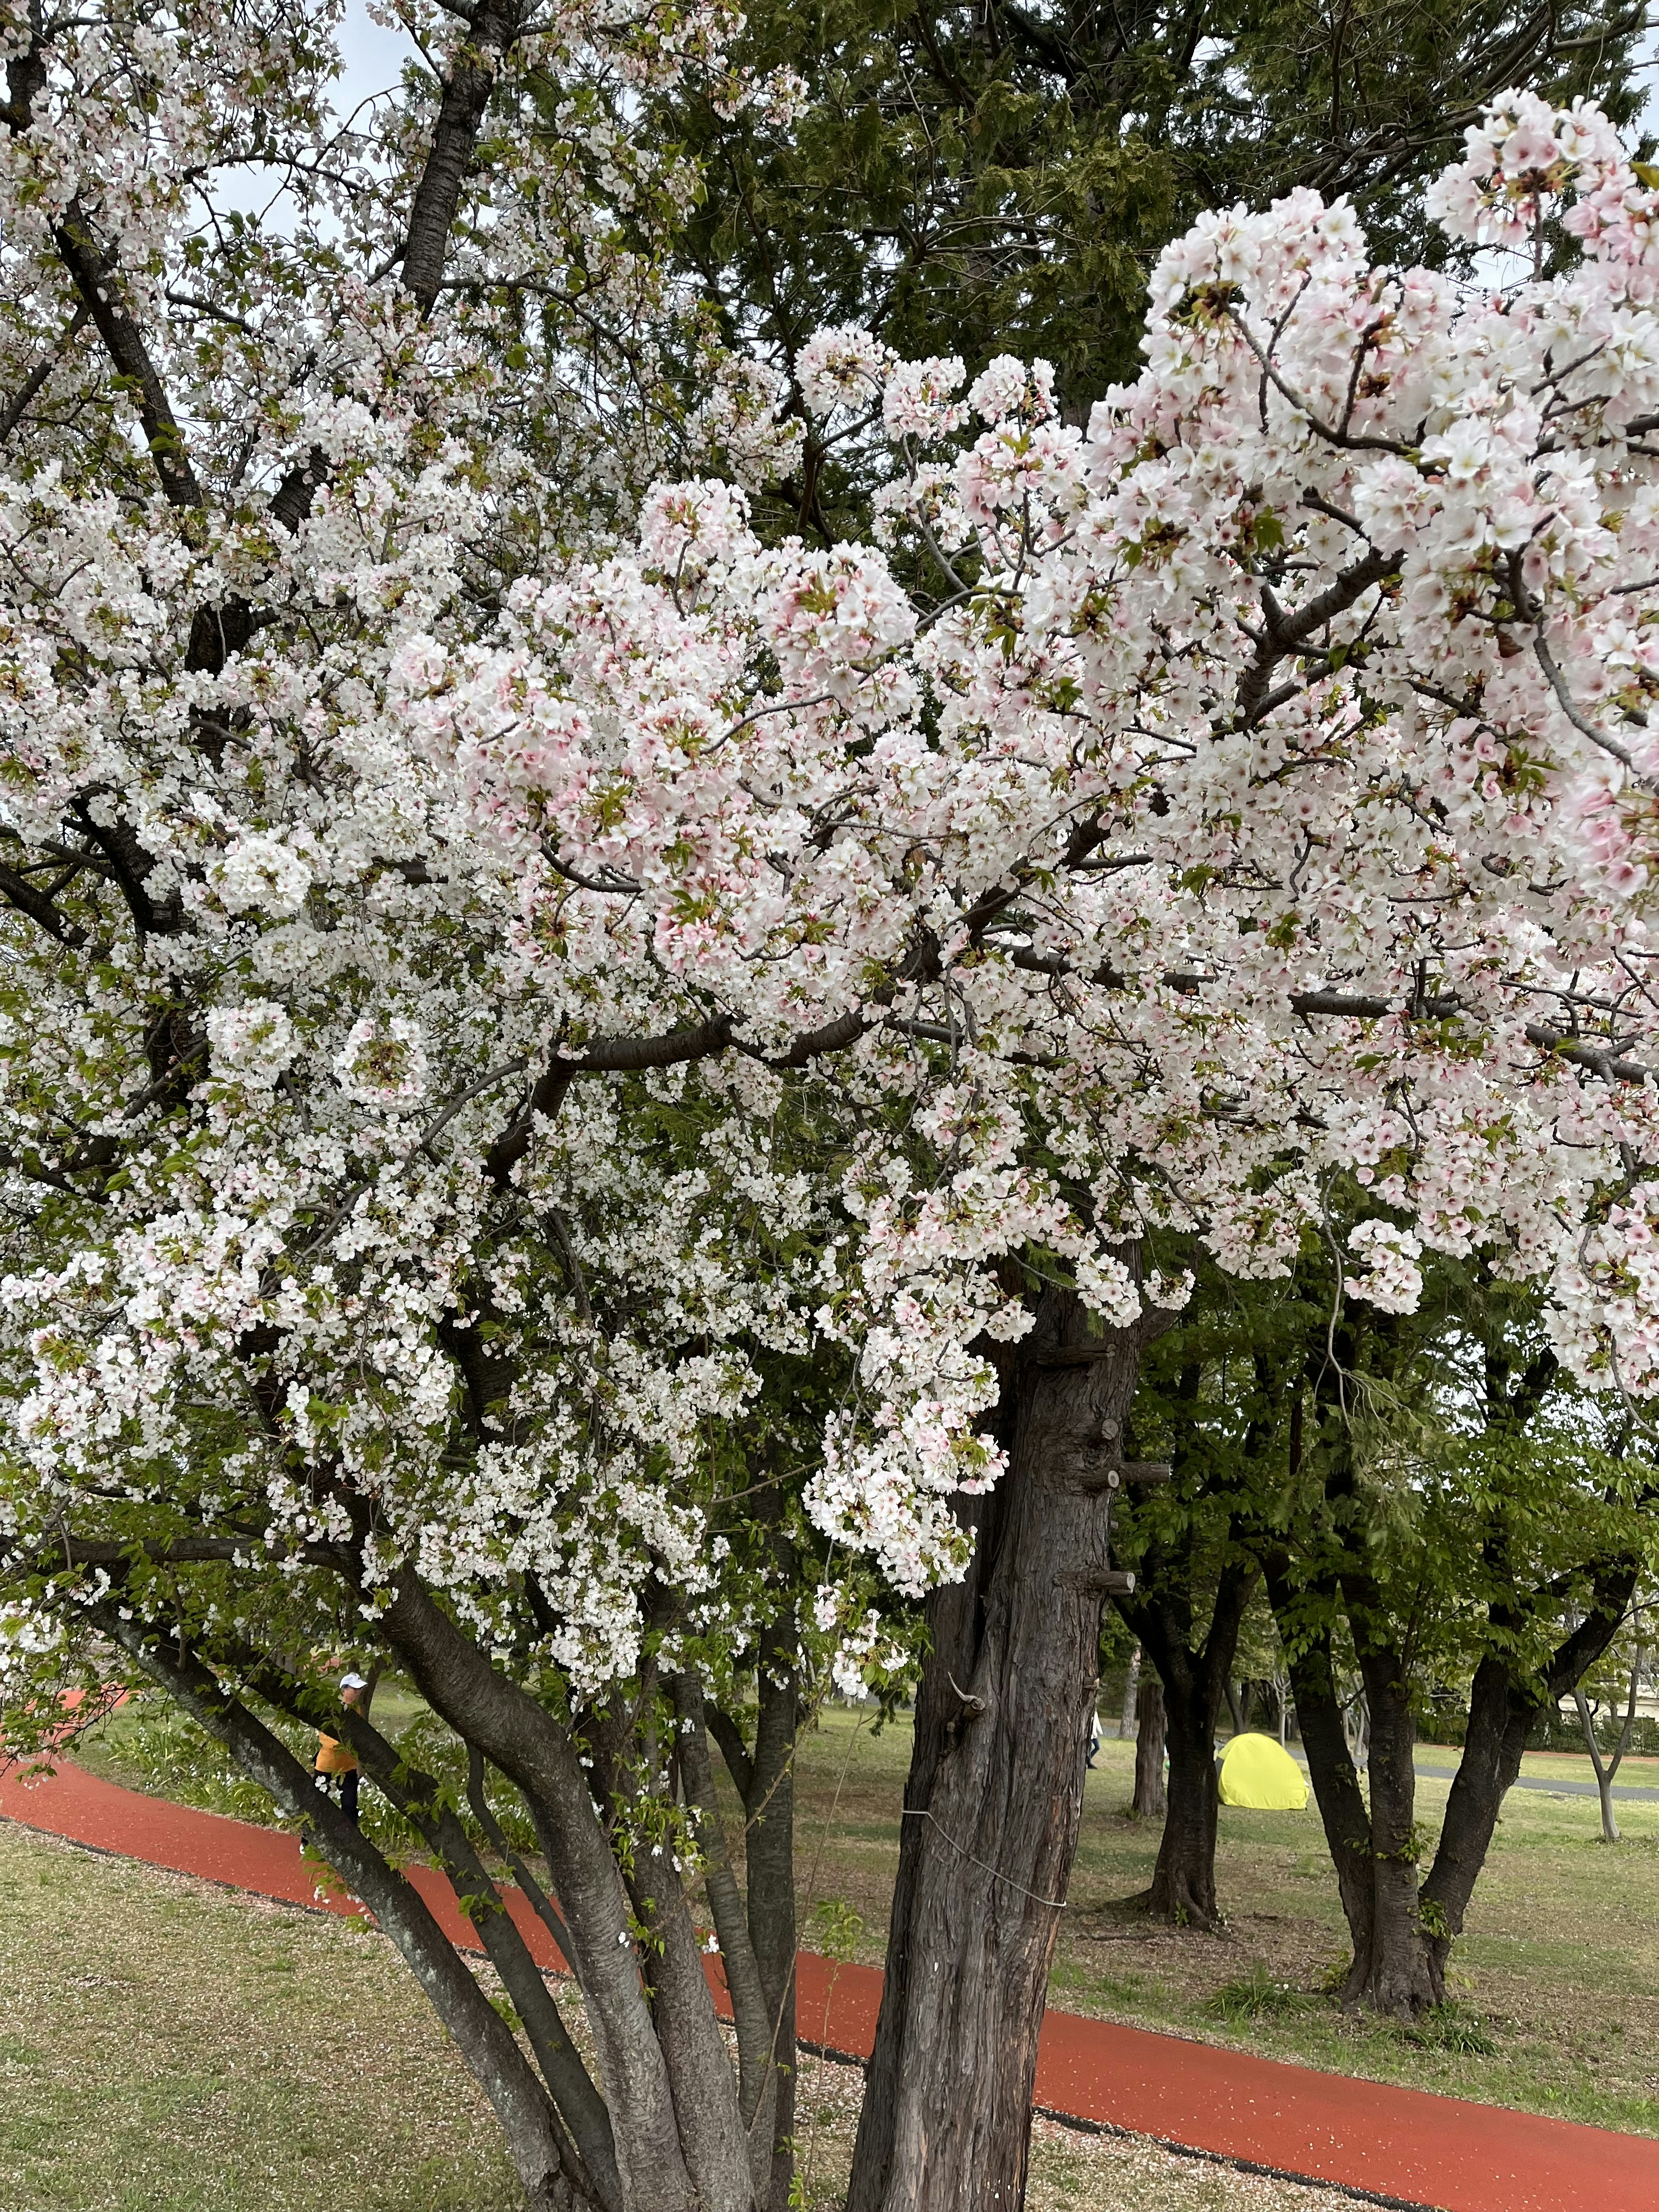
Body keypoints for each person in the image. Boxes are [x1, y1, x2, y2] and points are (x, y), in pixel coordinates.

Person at [314, 1670, 368, 1826]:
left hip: (349, 1767)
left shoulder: (356, 1710)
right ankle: (308, 1840)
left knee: (350, 1806)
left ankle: (353, 1839)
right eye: (354, 1689)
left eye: (360, 1689)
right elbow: (325, 1735)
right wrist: (343, 1745)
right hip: (327, 1765)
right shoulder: (332, 1708)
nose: (358, 1692)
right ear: (344, 1690)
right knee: (318, 1803)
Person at [1086, 1706, 1103, 1771]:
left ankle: (1088, 1759)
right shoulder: (1088, 1714)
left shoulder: (1095, 1714)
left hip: (1094, 1735)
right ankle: (1089, 1762)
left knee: (1097, 1747)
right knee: (1089, 1748)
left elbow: (1097, 1723)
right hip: (1089, 1735)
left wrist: (1100, 1731)